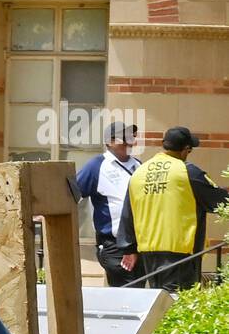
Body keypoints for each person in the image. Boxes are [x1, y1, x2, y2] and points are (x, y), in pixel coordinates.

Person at [116, 126, 229, 292]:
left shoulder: (140, 173)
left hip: (148, 252)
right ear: (185, 150)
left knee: (158, 302)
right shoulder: (187, 171)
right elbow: (220, 203)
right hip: (180, 253)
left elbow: (128, 214)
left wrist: (128, 248)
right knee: (177, 305)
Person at [75, 122, 141, 286]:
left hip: (140, 244)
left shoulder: (139, 165)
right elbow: (72, 193)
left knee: (140, 292)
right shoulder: (96, 166)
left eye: (131, 137)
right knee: (127, 291)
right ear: (110, 141)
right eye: (123, 137)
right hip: (115, 245)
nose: (128, 141)